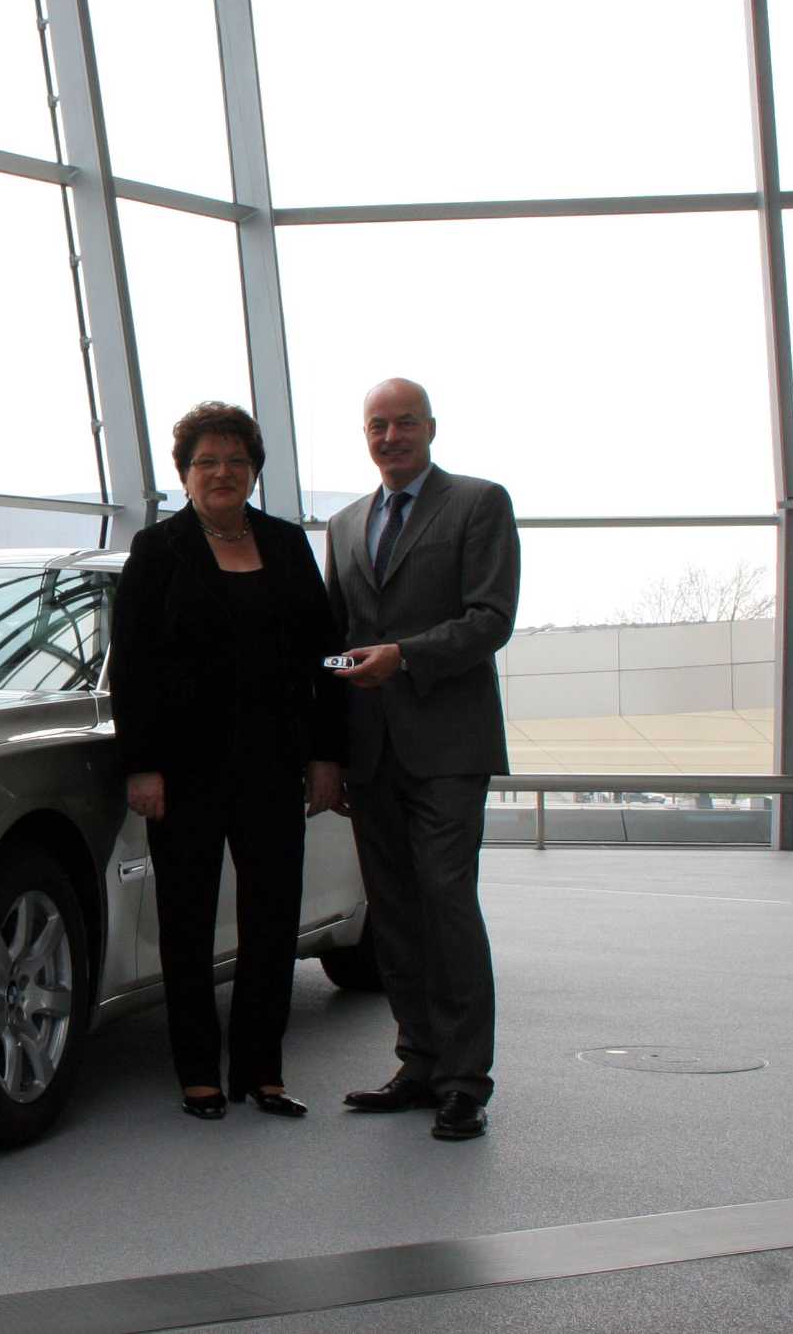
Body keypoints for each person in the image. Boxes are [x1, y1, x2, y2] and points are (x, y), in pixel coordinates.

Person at [111, 401, 346, 1121]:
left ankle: (262, 1070)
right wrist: (142, 765)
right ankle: (197, 1073)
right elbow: (135, 665)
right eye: (207, 462)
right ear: (184, 474)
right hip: (183, 770)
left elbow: (326, 655)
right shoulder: (159, 550)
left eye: (235, 462)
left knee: (273, 920)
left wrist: (328, 755)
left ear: (253, 472)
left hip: (275, 764)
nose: (222, 473)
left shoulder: (286, 544)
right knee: (185, 922)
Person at [322, 378, 518, 1142]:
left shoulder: (477, 503)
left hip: (447, 747)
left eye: (405, 423)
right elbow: (335, 646)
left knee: (446, 903)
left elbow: (491, 619)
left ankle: (467, 1080)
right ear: (364, 435)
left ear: (431, 428)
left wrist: (404, 656)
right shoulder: (343, 526)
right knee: (394, 912)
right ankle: (419, 1064)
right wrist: (329, 752)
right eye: (378, 424)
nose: (391, 435)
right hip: (372, 753)